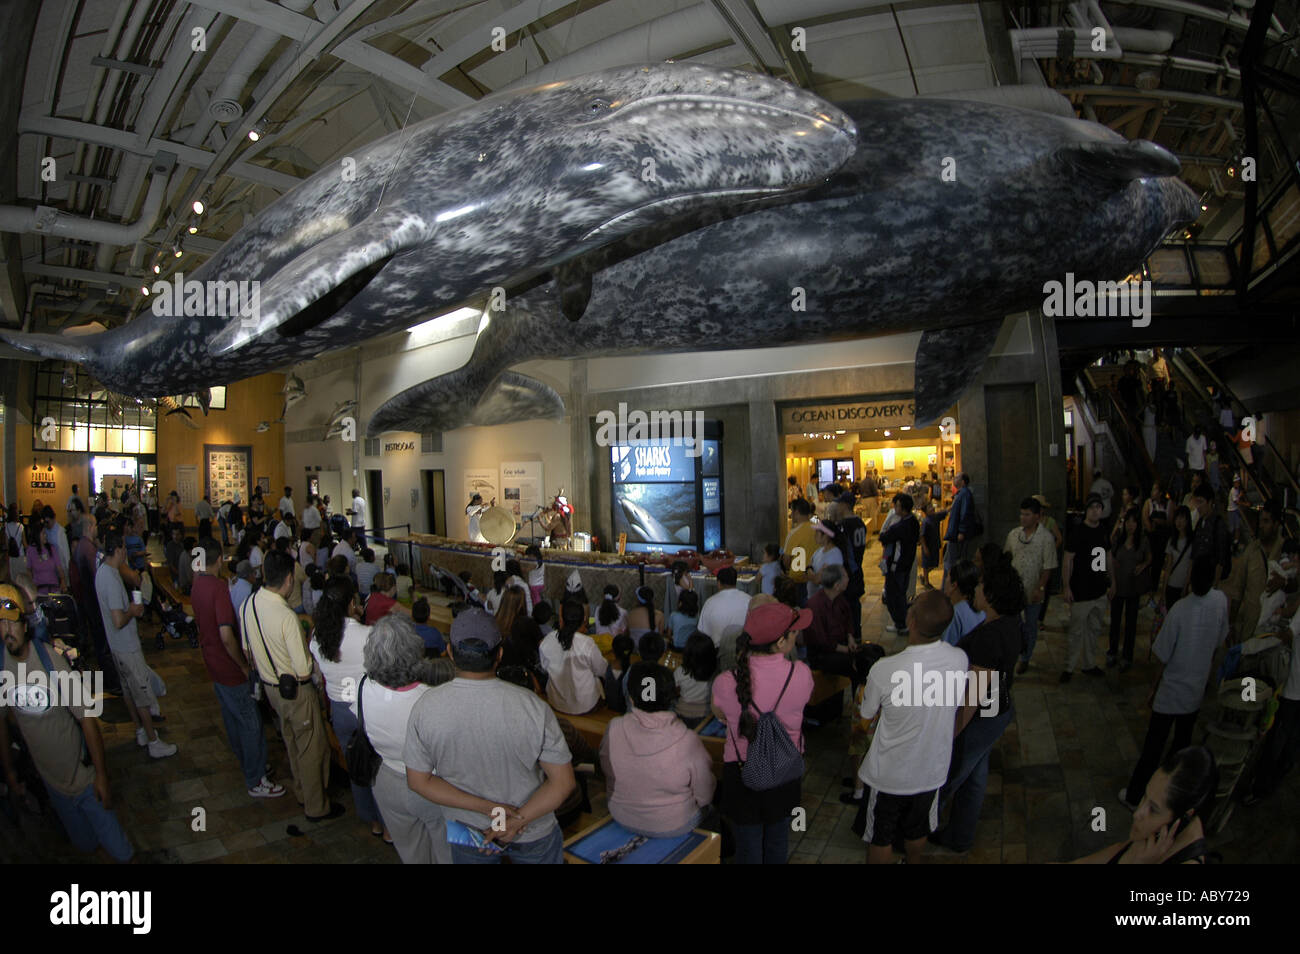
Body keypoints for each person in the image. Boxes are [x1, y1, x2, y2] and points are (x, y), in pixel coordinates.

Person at [403, 607, 575, 864]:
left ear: (450, 652)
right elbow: (563, 782)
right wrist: (515, 820)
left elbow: (419, 781)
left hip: (469, 828)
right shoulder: (532, 706)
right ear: (500, 655)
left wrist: (490, 811)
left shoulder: (426, 707)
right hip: (532, 829)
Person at [0, 584, 135, 861]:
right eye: (0, 624)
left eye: (11, 624)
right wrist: (11, 774)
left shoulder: (51, 662)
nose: (6, 631)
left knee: (121, 852)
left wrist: (101, 777)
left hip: (84, 779)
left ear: (24, 626)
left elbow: (87, 719)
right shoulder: (2, 667)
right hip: (53, 785)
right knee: (85, 846)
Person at [847, 590, 965, 864]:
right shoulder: (959, 659)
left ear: (910, 621)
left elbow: (865, 715)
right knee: (917, 828)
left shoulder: (885, 669)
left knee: (881, 835)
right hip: (931, 770)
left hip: (889, 773)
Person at [929, 555, 1025, 854]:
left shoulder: (989, 636)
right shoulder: (1010, 623)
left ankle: (918, 831)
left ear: (993, 595)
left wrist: (952, 732)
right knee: (974, 775)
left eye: (982, 585)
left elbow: (973, 697)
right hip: (998, 707)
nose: (977, 590)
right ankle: (960, 835)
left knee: (952, 775)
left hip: (983, 715)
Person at [243, 550, 342, 824]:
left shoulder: (248, 605)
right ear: (289, 580)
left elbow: (247, 650)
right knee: (312, 747)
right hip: (297, 691)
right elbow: (303, 668)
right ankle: (316, 806)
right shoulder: (286, 615)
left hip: (271, 689)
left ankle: (301, 791)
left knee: (292, 742)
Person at [711, 603, 815, 864]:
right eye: (793, 633)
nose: (797, 636)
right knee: (778, 839)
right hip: (785, 770)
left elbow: (721, 714)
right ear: (781, 642)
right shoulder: (801, 674)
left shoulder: (725, 681)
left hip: (742, 772)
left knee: (747, 848)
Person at [1120, 557, 1227, 810]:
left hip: (1171, 691)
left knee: (1153, 747)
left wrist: (1153, 688)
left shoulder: (1180, 609)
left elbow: (1163, 656)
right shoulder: (1220, 602)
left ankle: (1135, 796)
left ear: (1191, 578)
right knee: (1181, 746)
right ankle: (1172, 798)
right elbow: (1219, 641)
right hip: (1196, 689)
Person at [190, 538, 283, 798]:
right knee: (251, 722)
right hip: (229, 666)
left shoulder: (197, 585)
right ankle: (256, 778)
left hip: (212, 663)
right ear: (219, 559)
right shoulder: (218, 588)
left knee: (232, 719)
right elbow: (226, 634)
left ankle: (248, 764)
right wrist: (242, 665)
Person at [359, 613, 453, 863]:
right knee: (446, 851)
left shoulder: (363, 687)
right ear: (414, 650)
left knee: (411, 851)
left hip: (385, 778)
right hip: (429, 782)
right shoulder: (430, 699)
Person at [309, 576, 388, 840]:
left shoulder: (318, 636)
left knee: (357, 769)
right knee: (380, 770)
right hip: (369, 709)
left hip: (340, 711)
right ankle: (389, 824)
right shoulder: (367, 635)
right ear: (352, 603)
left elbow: (320, 673)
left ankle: (373, 822)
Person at [600, 661, 716, 838]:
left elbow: (609, 772)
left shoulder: (613, 727)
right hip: (674, 823)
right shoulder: (687, 740)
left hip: (622, 814)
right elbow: (704, 794)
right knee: (714, 810)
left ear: (631, 698)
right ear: (672, 698)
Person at [95, 530, 176, 758]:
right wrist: (133, 609)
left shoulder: (102, 572)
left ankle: (140, 730)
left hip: (116, 645)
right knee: (141, 693)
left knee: (129, 691)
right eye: (124, 550)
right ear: (119, 550)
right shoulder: (110, 578)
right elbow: (118, 619)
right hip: (126, 645)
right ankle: (153, 740)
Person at [1077, 746, 1217, 864]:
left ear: (1184, 817)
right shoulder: (1154, 835)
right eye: (1145, 796)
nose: (1137, 813)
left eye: (1153, 809)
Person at [1061, 493, 1110, 683]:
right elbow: (1068, 560)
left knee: (1094, 630)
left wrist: (1111, 581)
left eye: (1098, 507)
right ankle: (1069, 667)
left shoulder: (1103, 530)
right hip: (1081, 591)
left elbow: (1108, 556)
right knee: (1076, 632)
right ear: (1086, 510)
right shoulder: (1078, 532)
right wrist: (1066, 586)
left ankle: (1089, 664)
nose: (1095, 511)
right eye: (1092, 507)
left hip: (1099, 591)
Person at [1006, 497, 1056, 674]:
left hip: (1034, 589)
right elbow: (1007, 558)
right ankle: (1015, 652)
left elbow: (1048, 566)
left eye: (1027, 514)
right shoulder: (1013, 535)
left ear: (1037, 516)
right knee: (1015, 623)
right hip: (1015, 589)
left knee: (1031, 624)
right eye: (1021, 514)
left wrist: (1040, 588)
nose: (1023, 518)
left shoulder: (1046, 538)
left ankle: (1025, 657)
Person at [1222, 500, 1284, 642]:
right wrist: (1231, 624)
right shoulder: (1251, 551)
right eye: (1261, 521)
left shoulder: (1286, 551)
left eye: (1266, 521)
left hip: (1273, 630)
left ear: (1276, 525)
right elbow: (1238, 590)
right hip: (1250, 627)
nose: (1261, 526)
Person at [805, 564, 871, 689]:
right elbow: (821, 641)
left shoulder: (840, 599)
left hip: (840, 645)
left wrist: (850, 638)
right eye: (845, 576)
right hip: (822, 654)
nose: (848, 579)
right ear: (837, 585)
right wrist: (845, 649)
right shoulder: (814, 605)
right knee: (855, 664)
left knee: (872, 652)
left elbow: (848, 619)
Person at [539, 599, 609, 715]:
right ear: (584, 620)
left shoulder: (547, 641)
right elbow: (602, 670)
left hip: (556, 702)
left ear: (561, 620)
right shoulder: (587, 643)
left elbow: (545, 668)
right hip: (585, 705)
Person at [1107, 508, 1152, 672]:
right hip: (1118, 586)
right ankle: (1112, 651)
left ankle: (1127, 656)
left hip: (1133, 587)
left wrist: (1143, 565)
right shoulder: (1119, 538)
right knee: (1115, 622)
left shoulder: (1143, 541)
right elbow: (1110, 551)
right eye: (1128, 521)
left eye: (1134, 521)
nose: (1130, 525)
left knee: (1131, 624)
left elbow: (1149, 557)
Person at [880, 492, 920, 634]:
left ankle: (901, 623)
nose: (895, 508)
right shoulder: (913, 521)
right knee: (900, 593)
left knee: (893, 595)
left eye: (897, 506)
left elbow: (884, 537)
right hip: (907, 563)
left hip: (897, 565)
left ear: (903, 508)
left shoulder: (901, 526)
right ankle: (901, 623)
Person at [936, 473, 975, 591]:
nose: (954, 479)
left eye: (957, 478)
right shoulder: (961, 494)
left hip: (957, 534)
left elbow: (965, 514)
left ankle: (947, 589)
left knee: (951, 562)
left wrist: (961, 531)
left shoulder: (964, 494)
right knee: (950, 560)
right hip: (955, 533)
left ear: (963, 481)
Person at [697, 566, 750, 650]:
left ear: (718, 583)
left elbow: (703, 632)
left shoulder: (710, 602)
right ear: (735, 581)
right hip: (744, 651)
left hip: (718, 651)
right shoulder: (749, 599)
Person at [1188, 484, 1231, 586]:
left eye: (1201, 502)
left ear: (1210, 502)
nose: (1198, 506)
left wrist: (1214, 586)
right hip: (1198, 577)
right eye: (1196, 502)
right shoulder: (1200, 523)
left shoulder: (1218, 524)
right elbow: (1194, 553)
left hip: (1210, 579)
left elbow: (1221, 559)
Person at [674, 632, 717, 727]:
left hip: (682, 715)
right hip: (706, 717)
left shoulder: (680, 671)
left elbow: (673, 690)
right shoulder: (716, 674)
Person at [781, 498, 818, 605]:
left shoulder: (793, 534)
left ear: (796, 512)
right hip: (816, 577)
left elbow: (786, 560)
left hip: (799, 580)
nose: (791, 515)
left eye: (791, 511)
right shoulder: (818, 528)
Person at [940, 559, 985, 646]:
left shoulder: (954, 614)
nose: (945, 580)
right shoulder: (982, 609)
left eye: (947, 577)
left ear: (954, 586)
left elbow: (947, 649)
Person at [1158, 506, 1194, 609]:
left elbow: (1190, 566)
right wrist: (1163, 590)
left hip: (1183, 586)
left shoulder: (1191, 542)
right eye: (1177, 518)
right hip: (1171, 584)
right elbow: (1168, 566)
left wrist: (1185, 587)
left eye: (1182, 518)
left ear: (1187, 520)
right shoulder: (1172, 541)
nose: (1179, 522)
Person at [26, 522, 67, 595]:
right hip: (39, 590)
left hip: (54, 588)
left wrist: (63, 580)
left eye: (45, 533)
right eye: (43, 533)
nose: (45, 536)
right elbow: (28, 570)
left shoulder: (51, 548)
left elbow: (59, 567)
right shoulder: (31, 550)